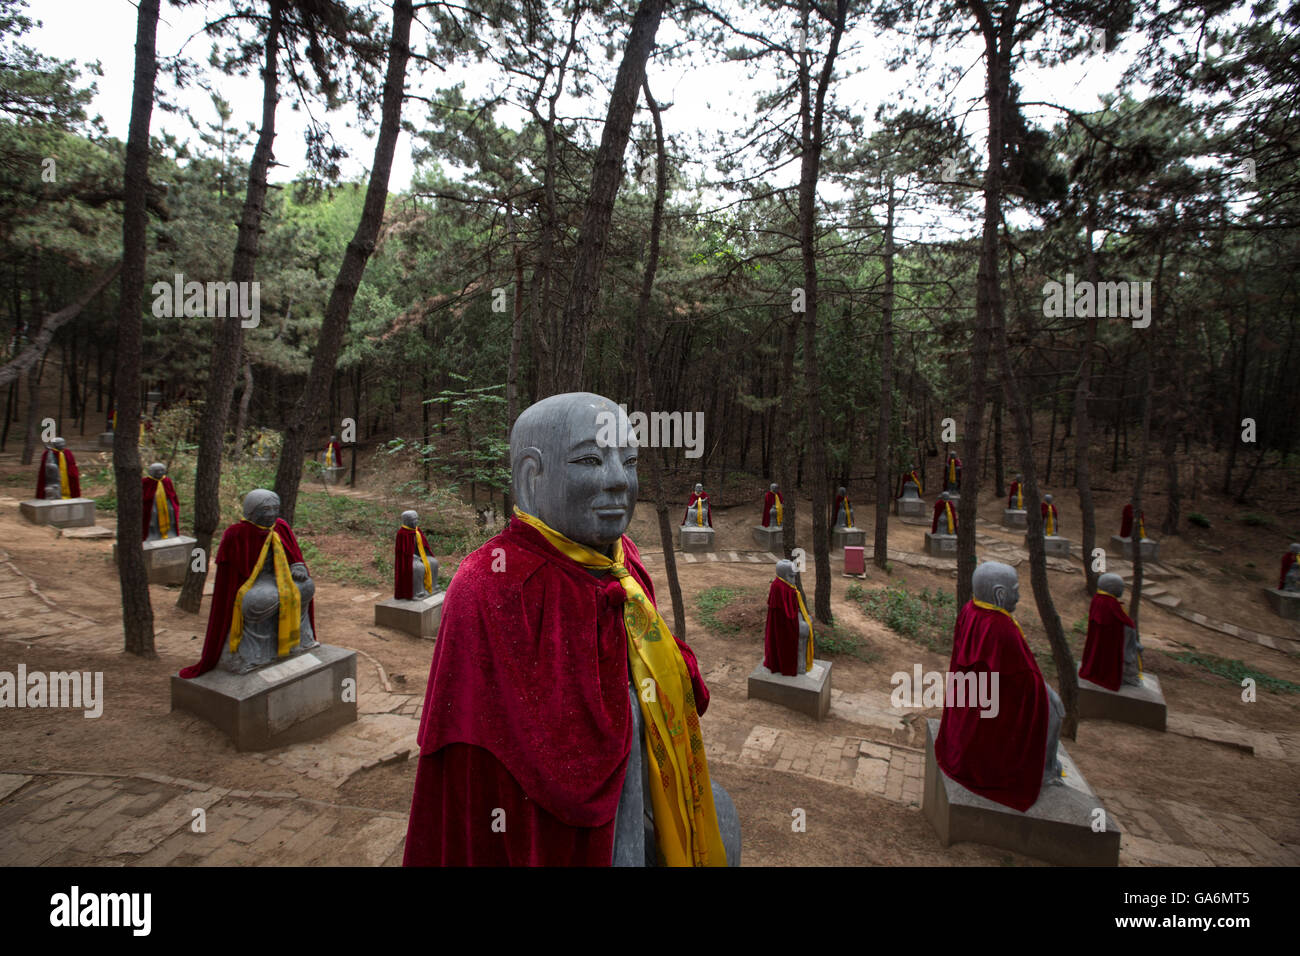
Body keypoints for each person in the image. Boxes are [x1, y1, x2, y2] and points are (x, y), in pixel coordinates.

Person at [404, 393, 732, 866]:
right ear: (530, 476)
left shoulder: (624, 560)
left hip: (643, 799)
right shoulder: (491, 583)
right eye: (591, 459)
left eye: (630, 460)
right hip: (540, 833)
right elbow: (496, 760)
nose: (619, 480)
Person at [935, 562, 1064, 812]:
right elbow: (1025, 681)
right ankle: (1044, 772)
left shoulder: (971, 609)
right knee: (1054, 708)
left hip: (976, 704)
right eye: (1015, 590)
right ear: (1000, 594)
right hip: (994, 707)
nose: (1019, 596)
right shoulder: (1001, 629)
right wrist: (1044, 695)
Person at [179, 490, 316, 678]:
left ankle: (300, 639)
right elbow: (230, 575)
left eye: (275, 508)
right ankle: (255, 654)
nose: (272, 514)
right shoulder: (236, 534)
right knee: (257, 602)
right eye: (266, 509)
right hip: (254, 583)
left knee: (307, 586)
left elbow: (294, 554)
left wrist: (298, 566)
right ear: (252, 511)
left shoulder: (280, 527)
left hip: (280, 578)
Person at [1079, 573, 1143, 690]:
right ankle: (1128, 675)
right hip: (1114, 649)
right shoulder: (1111, 605)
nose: (1122, 590)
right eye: (1120, 587)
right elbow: (1125, 627)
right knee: (1134, 648)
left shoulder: (1098, 599)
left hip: (1102, 647)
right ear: (1111, 587)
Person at [141, 462, 180, 540]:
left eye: (162, 470)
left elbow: (172, 494)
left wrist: (174, 505)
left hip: (167, 504)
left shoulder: (167, 480)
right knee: (152, 517)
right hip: (151, 505)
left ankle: (170, 532)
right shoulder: (145, 481)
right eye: (157, 471)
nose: (160, 473)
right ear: (151, 471)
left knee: (171, 515)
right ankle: (152, 534)